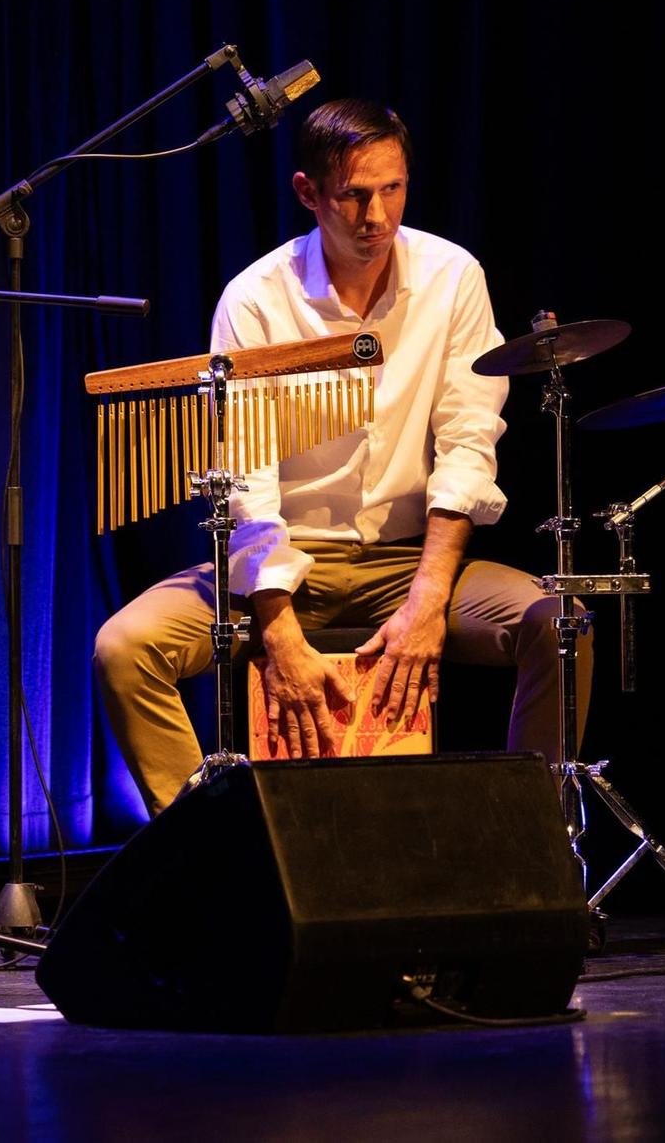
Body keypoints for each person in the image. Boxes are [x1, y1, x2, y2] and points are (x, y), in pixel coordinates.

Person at [93, 100, 592, 813]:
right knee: (124, 647)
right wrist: (278, 626)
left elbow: (466, 443)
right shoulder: (258, 299)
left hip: (408, 561)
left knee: (559, 621)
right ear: (308, 193)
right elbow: (245, 481)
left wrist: (426, 600)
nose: (376, 214)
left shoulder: (452, 277)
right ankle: (207, 857)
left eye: (392, 189)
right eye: (355, 194)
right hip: (280, 560)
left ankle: (525, 842)